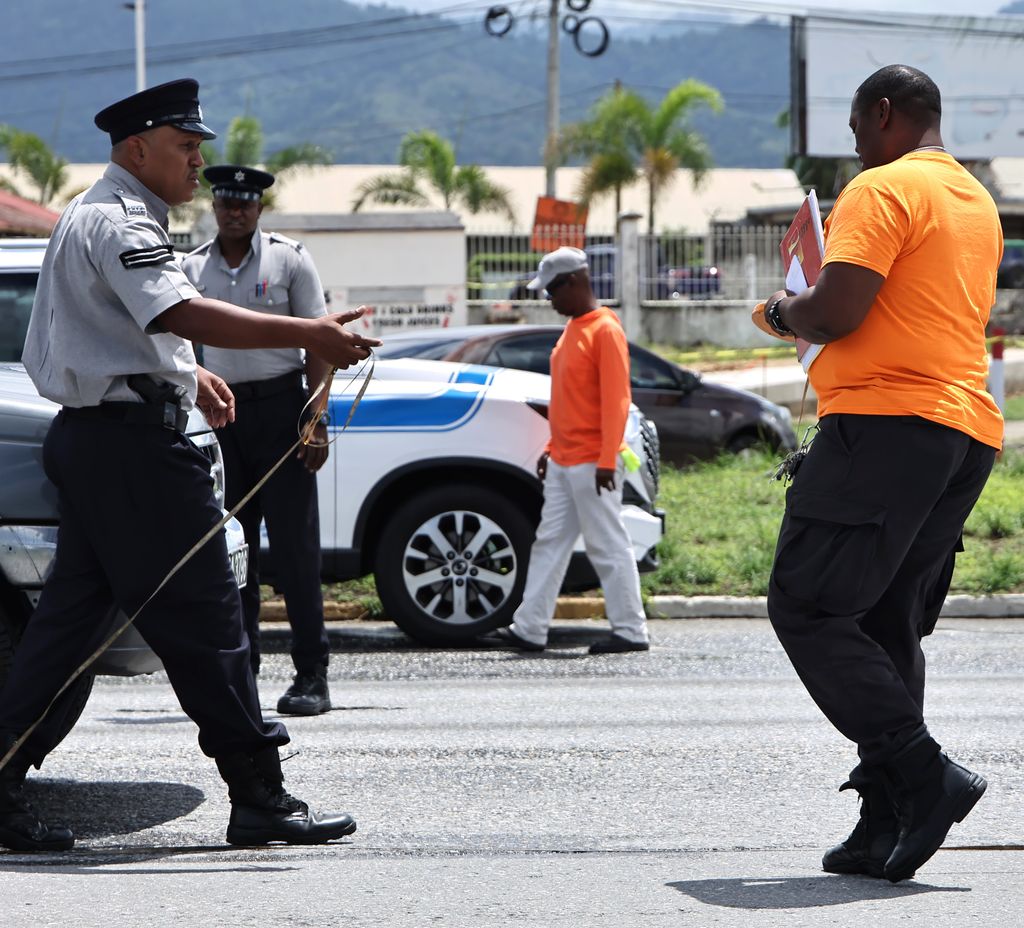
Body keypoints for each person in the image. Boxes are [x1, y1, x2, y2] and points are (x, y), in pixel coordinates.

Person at [0, 78, 381, 853]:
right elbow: (173, 312)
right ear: (138, 148)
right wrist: (308, 332)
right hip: (133, 454)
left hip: (107, 441)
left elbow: (126, 330)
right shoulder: (117, 220)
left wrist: (183, 374)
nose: (200, 163)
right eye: (186, 146)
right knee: (210, 619)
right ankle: (259, 795)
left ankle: (0, 777)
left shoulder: (106, 213)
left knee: (68, 631)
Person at [752, 65, 1002, 883]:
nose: (855, 146)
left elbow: (836, 309)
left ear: (885, 113)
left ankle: (924, 776)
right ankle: (884, 818)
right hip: (962, 434)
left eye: (858, 128)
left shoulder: (884, 188)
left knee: (809, 605)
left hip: (885, 426)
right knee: (887, 619)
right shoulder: (974, 201)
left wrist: (781, 311)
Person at [183, 165, 333, 717]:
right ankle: (242, 673)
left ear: (259, 209)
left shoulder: (289, 260)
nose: (235, 211)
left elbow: (318, 342)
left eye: (245, 203)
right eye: (225, 202)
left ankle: (311, 675)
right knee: (233, 552)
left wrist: (316, 417)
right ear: (214, 206)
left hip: (281, 411)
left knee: (296, 551)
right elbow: (181, 347)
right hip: (224, 416)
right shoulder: (192, 267)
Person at [494, 247, 650, 655]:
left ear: (575, 281)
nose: (549, 300)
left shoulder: (604, 329)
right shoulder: (573, 330)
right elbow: (569, 400)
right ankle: (529, 628)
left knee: (607, 544)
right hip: (565, 460)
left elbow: (617, 400)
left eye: (551, 291)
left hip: (592, 461)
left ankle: (631, 630)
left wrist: (605, 460)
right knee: (549, 543)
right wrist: (550, 446)